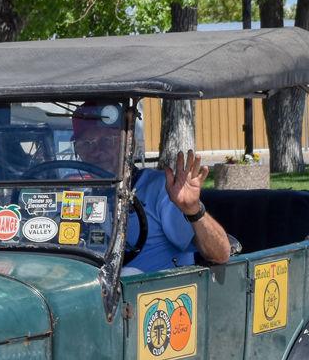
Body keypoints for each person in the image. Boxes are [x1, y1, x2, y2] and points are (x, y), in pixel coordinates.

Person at [70, 103, 230, 271]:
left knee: (128, 273)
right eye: (86, 143)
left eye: (107, 141)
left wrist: (193, 209)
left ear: (128, 145)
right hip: (94, 288)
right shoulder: (78, 196)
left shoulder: (162, 189)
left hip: (159, 292)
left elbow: (220, 254)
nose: (97, 151)